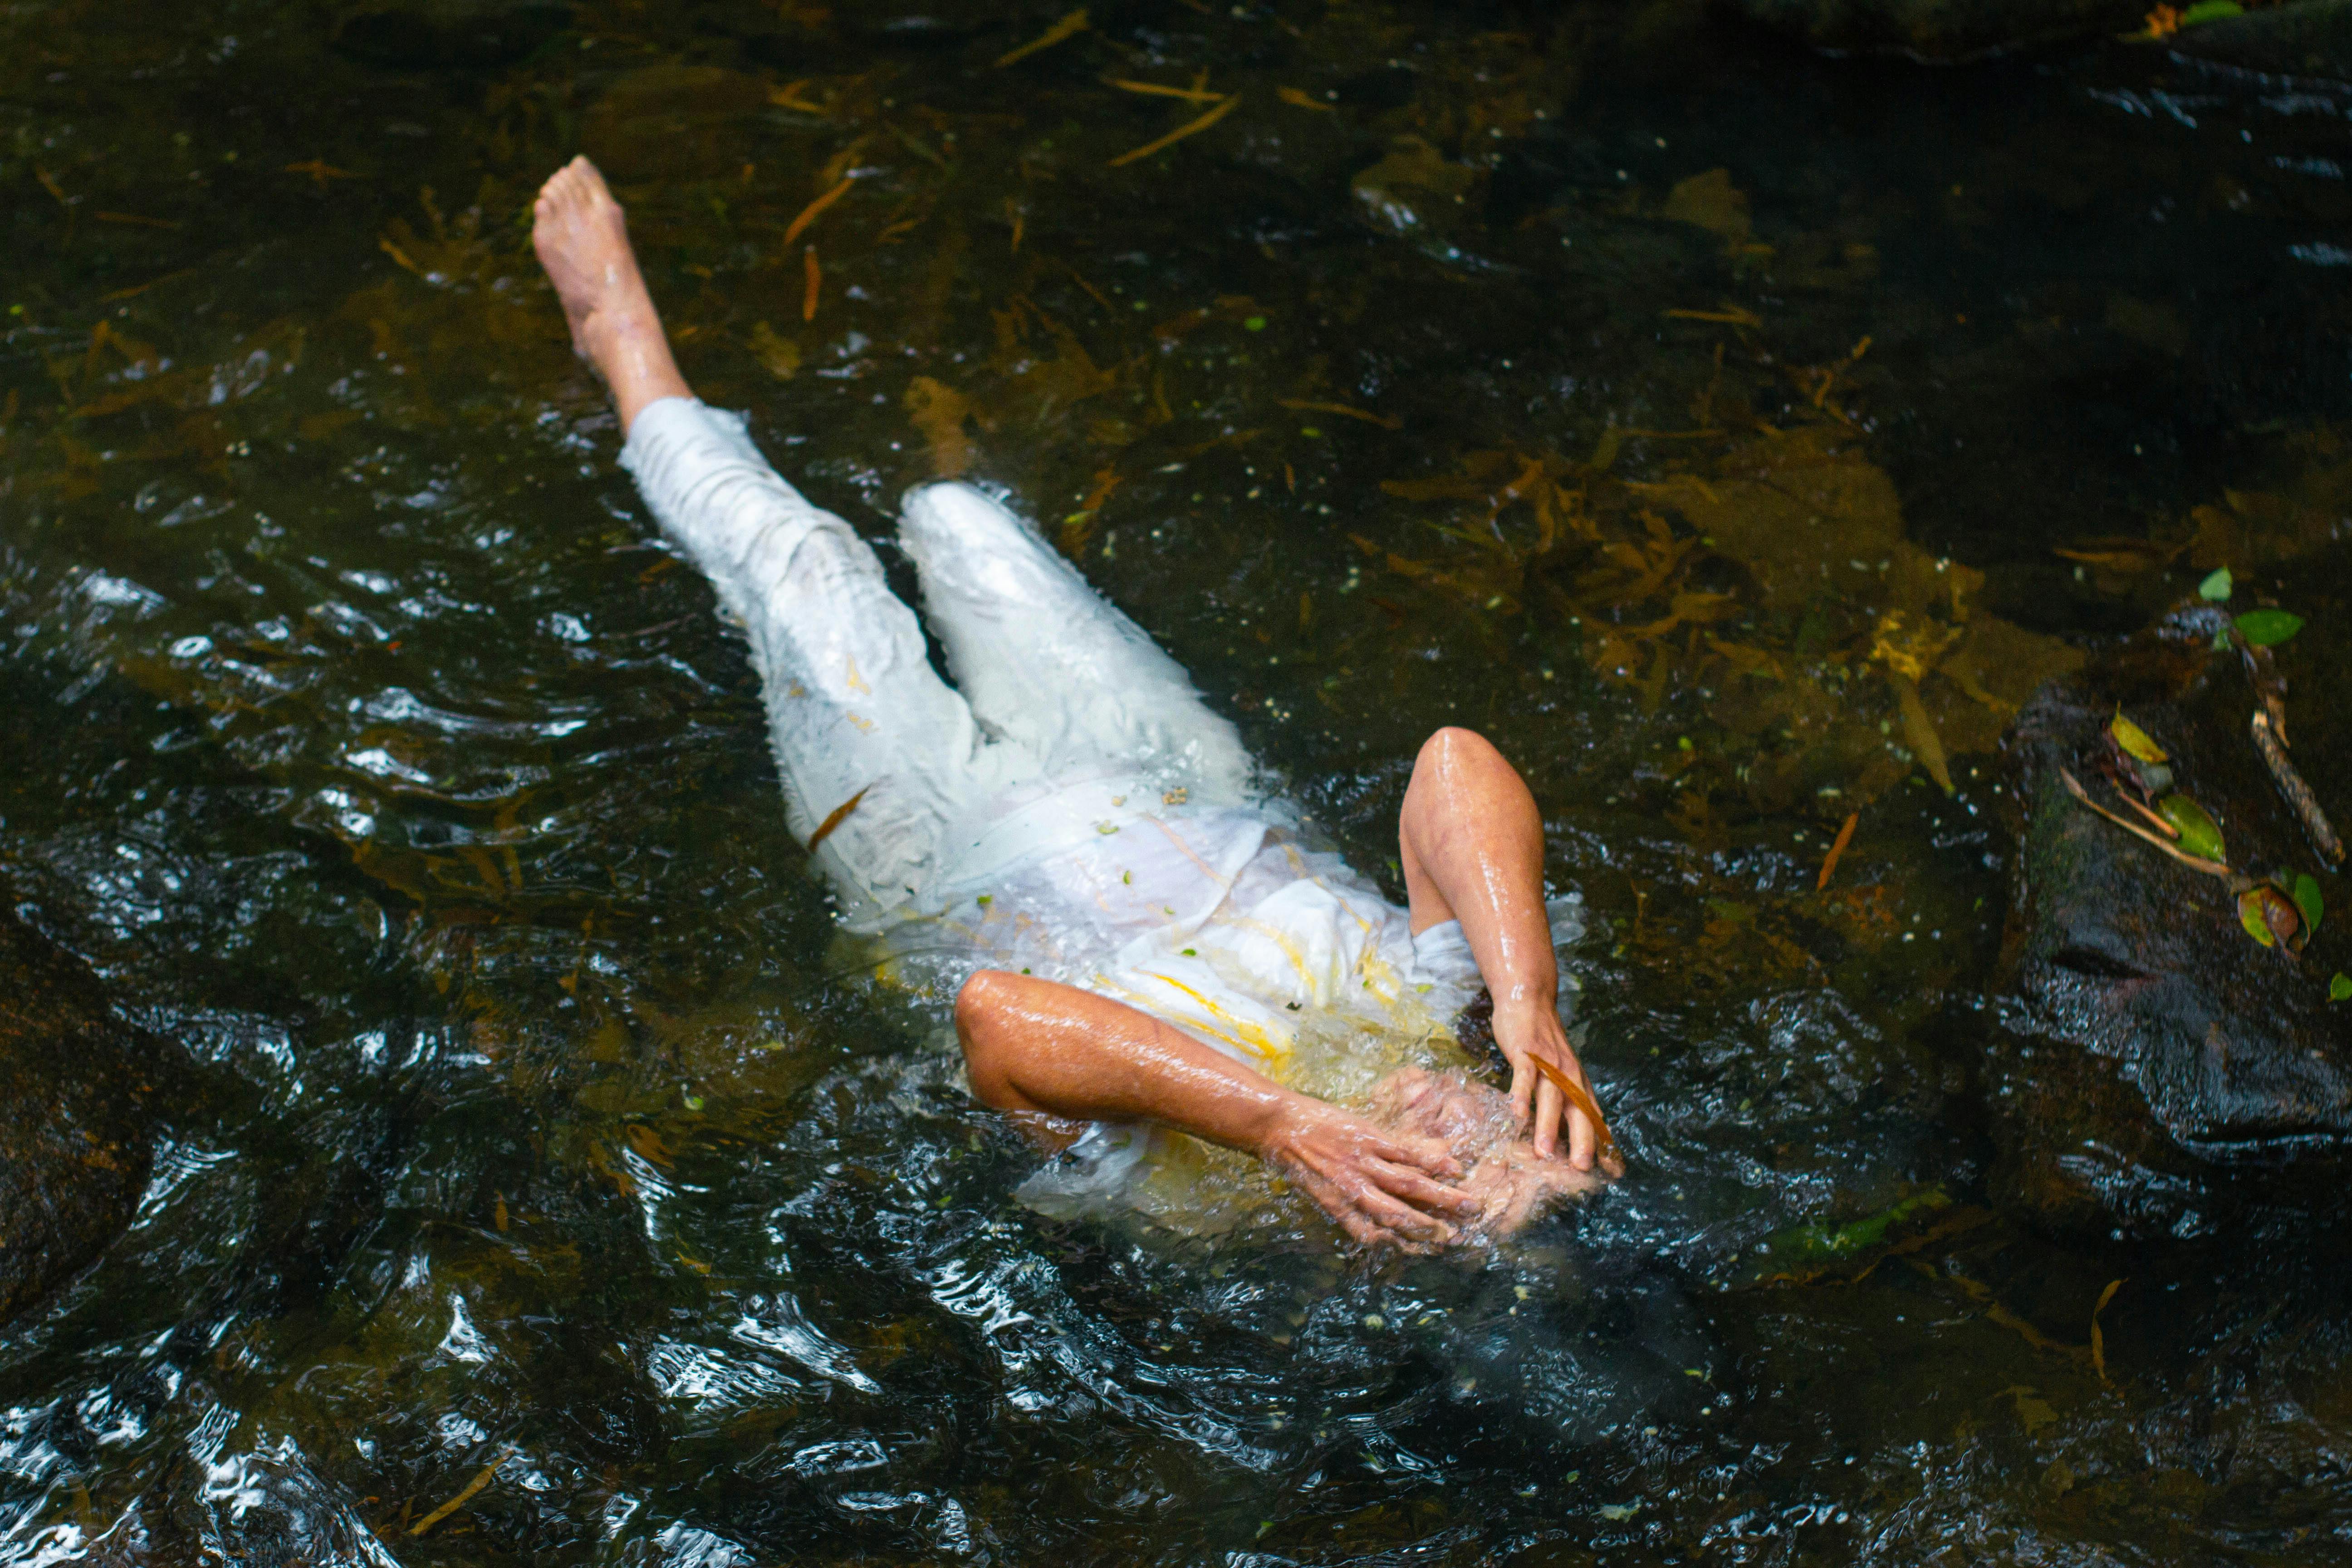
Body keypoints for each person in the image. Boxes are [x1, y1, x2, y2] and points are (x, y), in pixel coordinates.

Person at [530, 156, 1620, 1250]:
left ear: (1394, 1225)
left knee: (803, 568)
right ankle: (936, 460)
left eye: (1468, 1177)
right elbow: (1450, 763)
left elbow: (996, 1018)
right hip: (1168, 779)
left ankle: (619, 338)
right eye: (1529, 1144)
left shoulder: (1206, 1193)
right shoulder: (1458, 1015)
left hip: (940, 857)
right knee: (957, 518)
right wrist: (1528, 999)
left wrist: (1282, 1125)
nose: (1476, 1132)